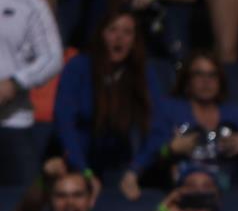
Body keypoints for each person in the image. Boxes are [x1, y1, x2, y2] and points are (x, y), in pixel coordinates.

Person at [143, 50, 238, 190]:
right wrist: (170, 150)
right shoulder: (169, 110)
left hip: (230, 194)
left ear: (220, 82)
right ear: (187, 81)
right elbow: (150, 159)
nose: (206, 81)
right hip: (185, 190)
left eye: (212, 75)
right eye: (198, 74)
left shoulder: (235, 114)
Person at [54, 12, 163, 194]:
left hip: (120, 162)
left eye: (127, 32)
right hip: (77, 158)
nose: (119, 37)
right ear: (100, 34)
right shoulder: (79, 66)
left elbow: (159, 124)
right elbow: (64, 122)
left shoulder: (142, 72)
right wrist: (84, 173)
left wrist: (135, 170)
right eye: (112, 30)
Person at [0, 0, 65, 175]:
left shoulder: (30, 4)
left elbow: (52, 57)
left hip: (12, 123)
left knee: (21, 205)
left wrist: (15, 83)